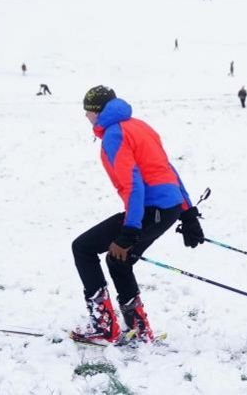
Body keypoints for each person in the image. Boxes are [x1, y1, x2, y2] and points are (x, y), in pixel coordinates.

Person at [71, 85, 205, 344]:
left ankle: (104, 326)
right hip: (167, 207)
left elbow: (133, 185)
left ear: (98, 111)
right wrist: (187, 213)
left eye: (88, 111)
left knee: (83, 248)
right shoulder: (140, 126)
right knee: (117, 260)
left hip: (149, 208)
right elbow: (169, 170)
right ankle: (138, 328)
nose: (86, 117)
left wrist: (129, 232)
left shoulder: (114, 135)